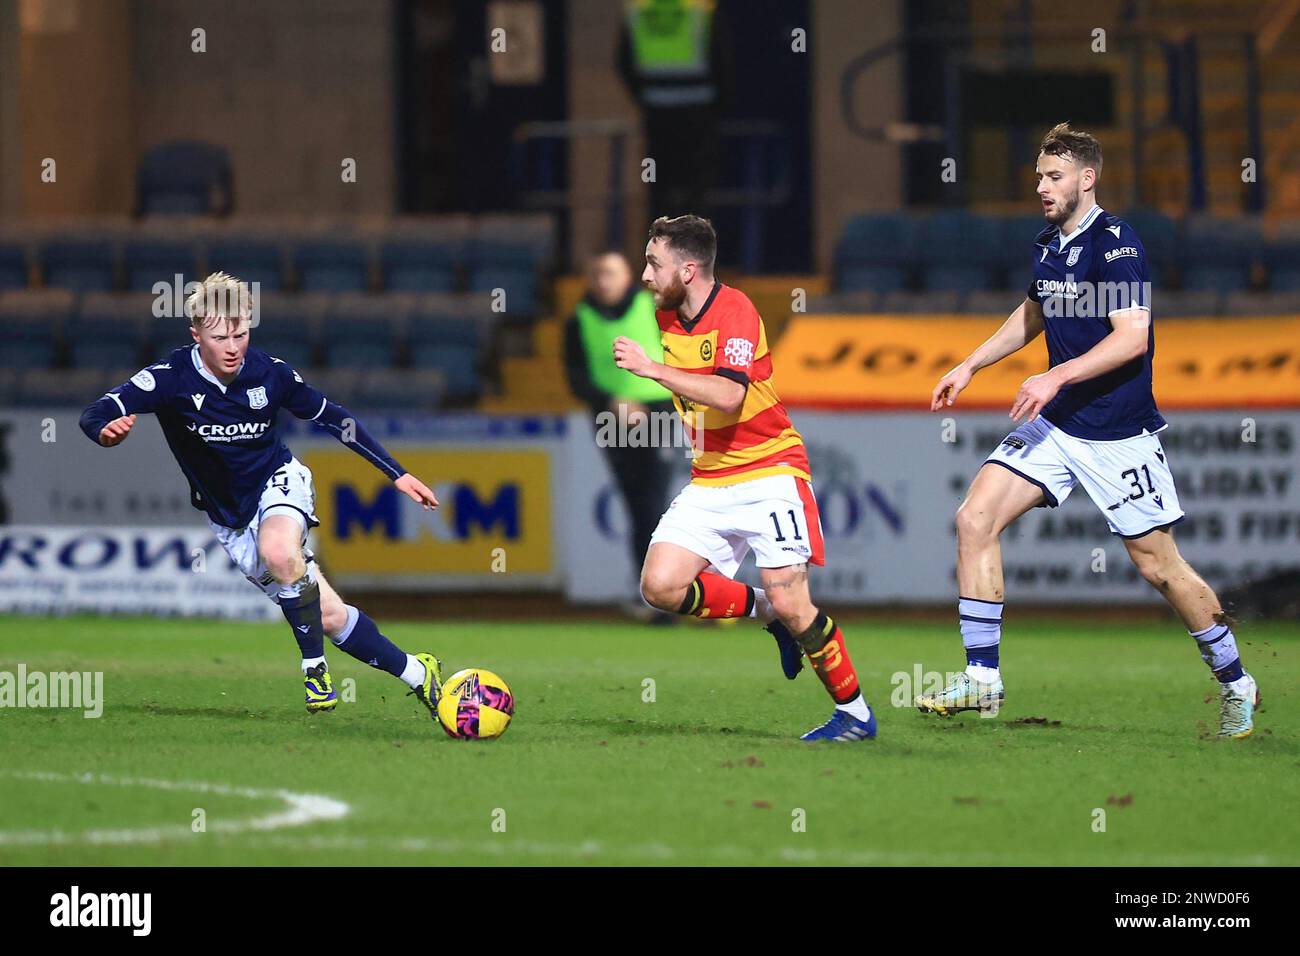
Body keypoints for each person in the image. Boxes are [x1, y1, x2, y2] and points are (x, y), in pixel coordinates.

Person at [919, 123, 1259, 739]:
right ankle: (982, 678)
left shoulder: (1118, 243)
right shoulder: (1049, 243)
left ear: (1087, 178)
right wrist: (970, 364)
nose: (1043, 188)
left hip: (1116, 432)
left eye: (1054, 177)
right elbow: (1032, 313)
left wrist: (1055, 376)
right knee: (975, 519)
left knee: (1159, 568)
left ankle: (1236, 681)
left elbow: (1133, 338)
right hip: (1057, 425)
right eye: (1039, 177)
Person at [78, 272, 445, 716]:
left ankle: (314, 671)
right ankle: (420, 674)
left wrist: (396, 474)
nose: (233, 346)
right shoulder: (169, 378)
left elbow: (333, 416)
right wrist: (106, 433)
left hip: (279, 480)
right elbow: (96, 413)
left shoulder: (270, 374)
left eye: (241, 333)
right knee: (328, 616)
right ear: (196, 335)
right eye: (220, 337)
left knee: (278, 550)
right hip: (229, 518)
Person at [615, 215, 876, 742]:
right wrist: (638, 401)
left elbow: (731, 396)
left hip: (769, 471)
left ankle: (856, 715)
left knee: (795, 601)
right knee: (659, 587)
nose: (644, 275)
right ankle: (767, 613)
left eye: (653, 263)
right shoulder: (664, 316)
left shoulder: (736, 310)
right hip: (709, 478)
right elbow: (688, 387)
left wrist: (652, 372)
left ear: (688, 270)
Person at [564, 251, 675, 618]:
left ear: (628, 277)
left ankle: (674, 591)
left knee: (660, 502)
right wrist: (611, 400)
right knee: (637, 503)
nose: (603, 281)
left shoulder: (655, 307)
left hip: (660, 410)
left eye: (610, 273)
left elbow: (680, 354)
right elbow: (576, 377)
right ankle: (654, 594)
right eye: (597, 274)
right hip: (610, 417)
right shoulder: (577, 320)